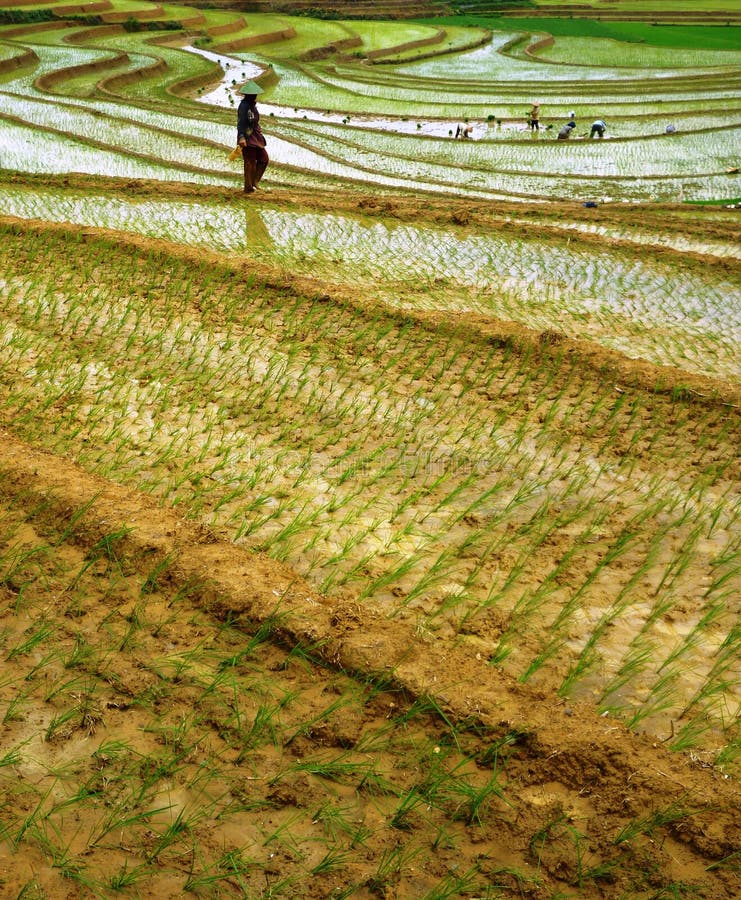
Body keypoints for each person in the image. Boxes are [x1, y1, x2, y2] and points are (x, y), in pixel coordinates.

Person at [237, 81, 269, 194]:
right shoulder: (244, 106)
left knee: (264, 159)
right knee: (249, 163)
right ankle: (248, 187)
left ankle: (255, 181)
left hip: (256, 136)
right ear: (249, 95)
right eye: (253, 95)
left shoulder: (252, 106)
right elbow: (241, 123)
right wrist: (241, 137)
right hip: (248, 136)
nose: (255, 96)